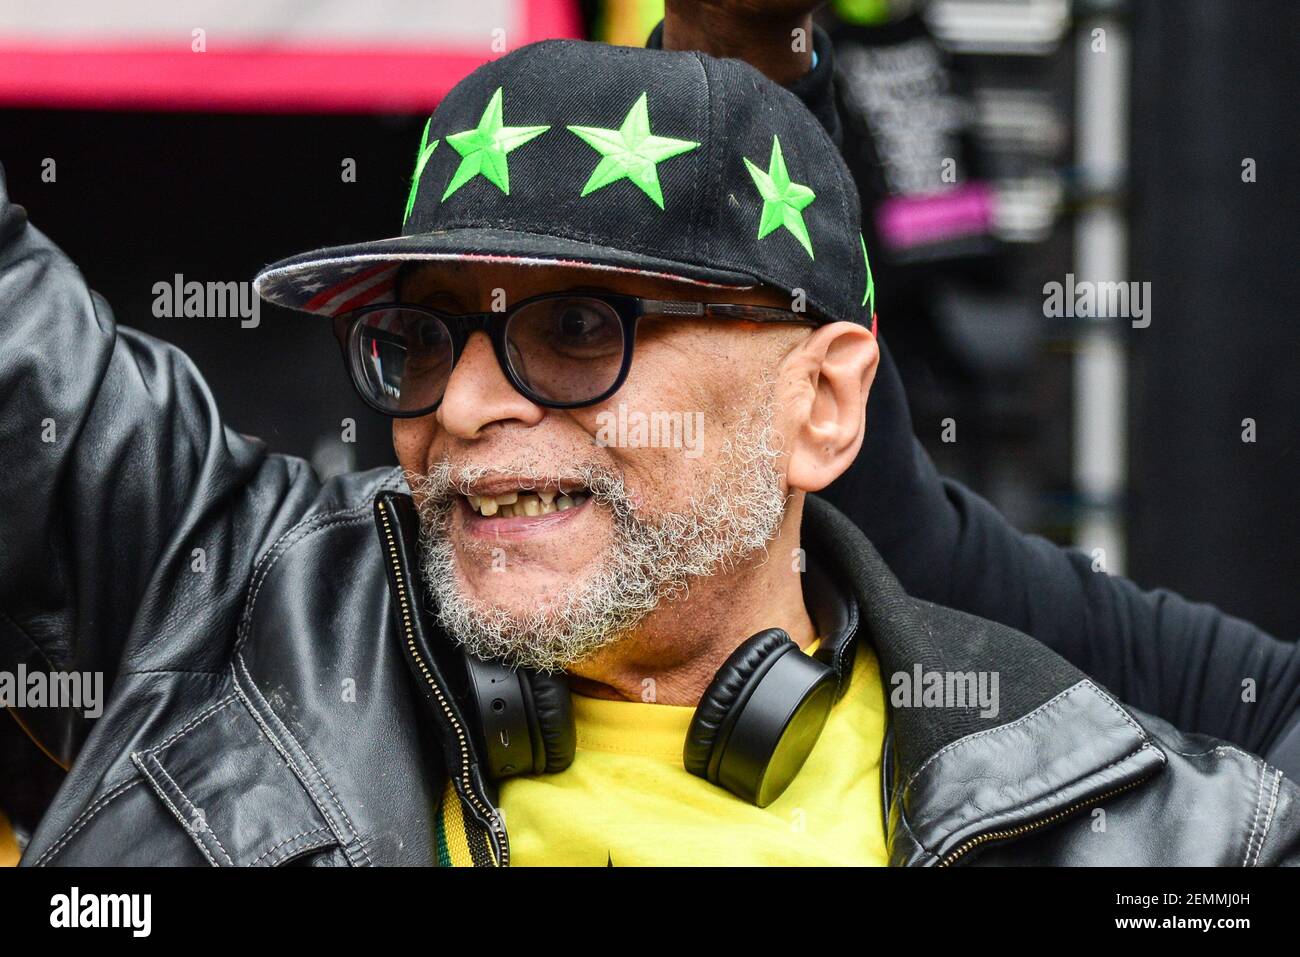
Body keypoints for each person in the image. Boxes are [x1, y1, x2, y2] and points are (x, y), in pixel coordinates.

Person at [4, 33, 1298, 867]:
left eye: (576, 330)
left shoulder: (1160, 842)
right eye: (424, 332)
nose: (459, 405)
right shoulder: (230, 602)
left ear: (823, 405)